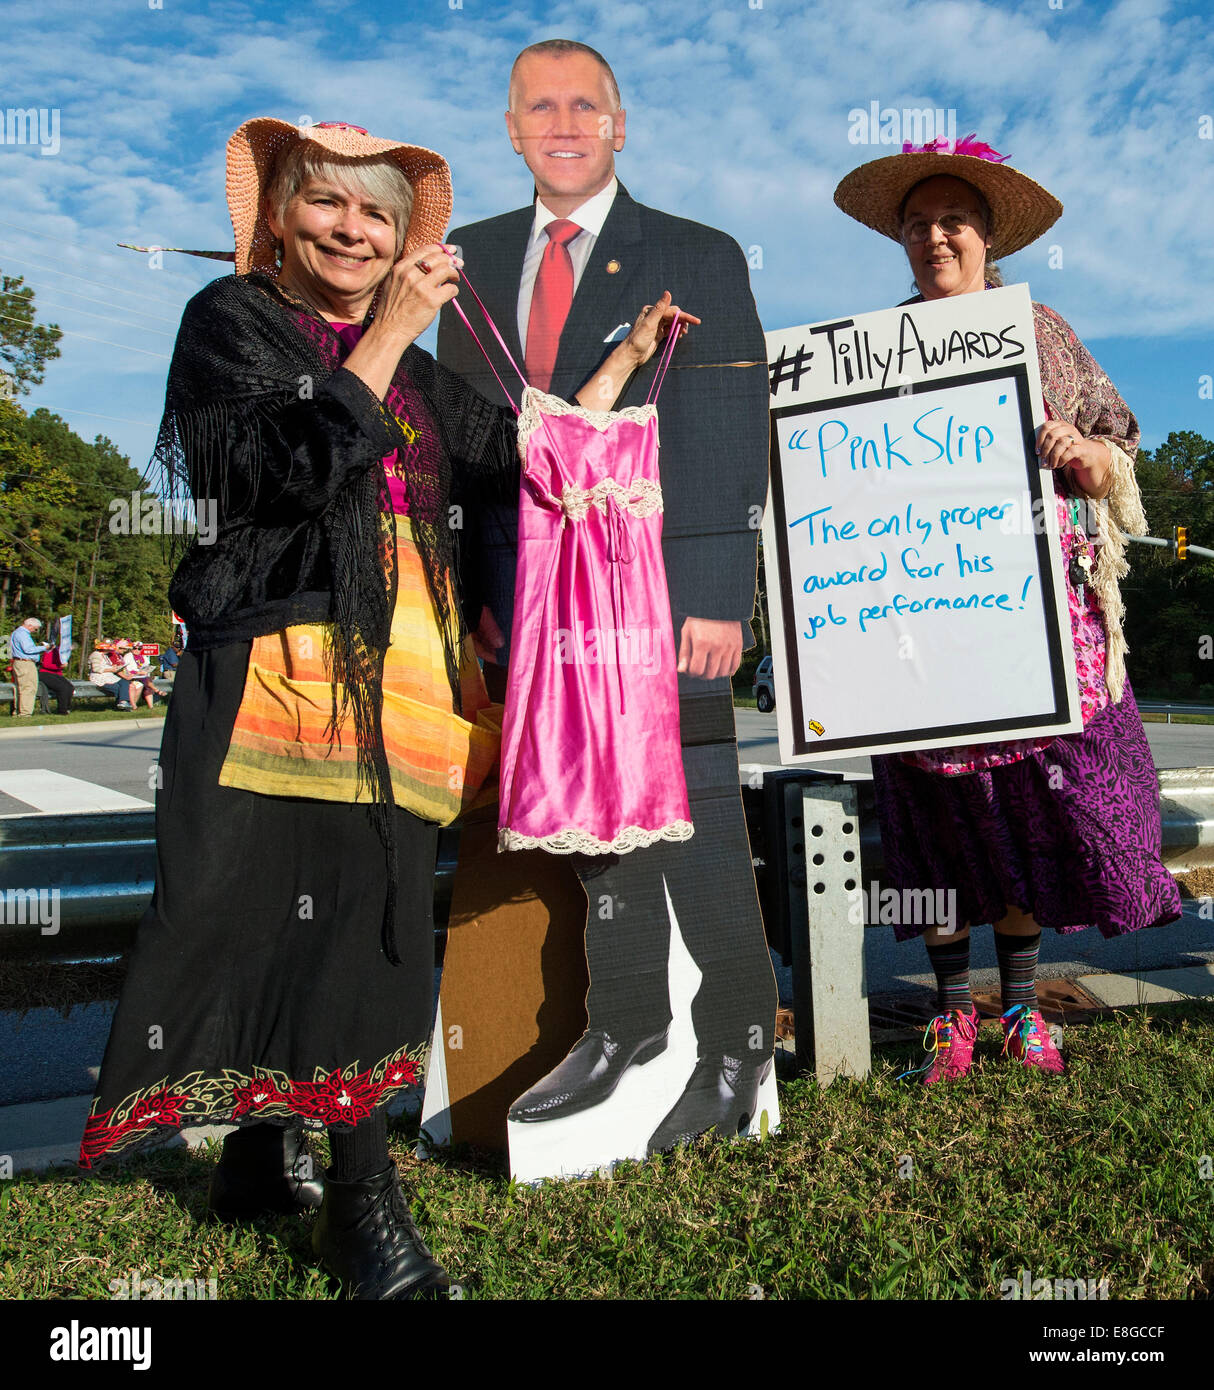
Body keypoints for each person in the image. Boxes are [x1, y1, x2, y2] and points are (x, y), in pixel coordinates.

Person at [78, 116, 684, 1300]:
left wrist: (619, 362)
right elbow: (270, 475)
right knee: (243, 909)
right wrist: (394, 329)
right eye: (328, 205)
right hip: (271, 663)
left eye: (378, 215)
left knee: (365, 915)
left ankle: (275, 1163)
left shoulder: (416, 371)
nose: (354, 230)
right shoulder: (232, 324)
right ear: (278, 218)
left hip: (402, 673)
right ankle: (356, 1204)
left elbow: (523, 454)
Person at [437, 40, 778, 1149]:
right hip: (536, 602)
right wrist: (482, 587)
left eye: (586, 104)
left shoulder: (695, 251)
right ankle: (625, 1014)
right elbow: (466, 446)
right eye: (539, 105)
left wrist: (720, 591)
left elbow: (729, 427)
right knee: (587, 817)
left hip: (667, 592)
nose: (564, 121)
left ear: (619, 124)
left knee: (702, 816)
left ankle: (733, 1037)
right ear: (511, 126)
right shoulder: (470, 259)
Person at [833, 135, 1182, 1082]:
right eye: (916, 225)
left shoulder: (1046, 333)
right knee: (930, 829)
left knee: (1040, 807)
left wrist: (1088, 456)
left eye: (953, 221)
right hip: (912, 623)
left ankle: (1021, 1008)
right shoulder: (862, 355)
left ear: (989, 237)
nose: (934, 237)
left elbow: (1119, 452)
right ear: (900, 241)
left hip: (1032, 623)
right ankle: (951, 1017)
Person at [8, 617, 49, 716]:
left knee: (20, 688)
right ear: (29, 625)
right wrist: (44, 647)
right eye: (35, 629)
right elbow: (28, 649)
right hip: (26, 663)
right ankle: (25, 713)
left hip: (19, 662)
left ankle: (18, 711)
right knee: (28, 687)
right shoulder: (23, 634)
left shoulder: (16, 632)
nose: (35, 631)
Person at [37, 627, 74, 715]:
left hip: (56, 674)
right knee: (63, 688)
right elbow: (45, 664)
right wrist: (59, 667)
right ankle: (62, 710)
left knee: (70, 687)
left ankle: (67, 708)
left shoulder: (61, 652)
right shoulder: (50, 651)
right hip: (45, 673)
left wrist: (61, 666)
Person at [87, 641, 132, 709]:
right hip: (100, 677)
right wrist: (111, 670)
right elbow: (96, 669)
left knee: (124, 682)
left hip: (109, 676)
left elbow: (107, 666)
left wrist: (114, 668)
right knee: (118, 688)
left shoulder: (105, 656)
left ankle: (123, 703)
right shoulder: (96, 654)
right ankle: (122, 704)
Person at [115, 641, 157, 708]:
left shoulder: (143, 656)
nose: (137, 650)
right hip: (132, 677)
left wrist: (147, 671)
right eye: (135, 648)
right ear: (132, 648)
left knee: (146, 685)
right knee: (138, 685)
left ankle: (150, 706)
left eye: (139, 649)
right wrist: (139, 672)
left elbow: (146, 666)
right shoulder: (128, 656)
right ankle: (133, 705)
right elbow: (126, 669)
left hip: (141, 676)